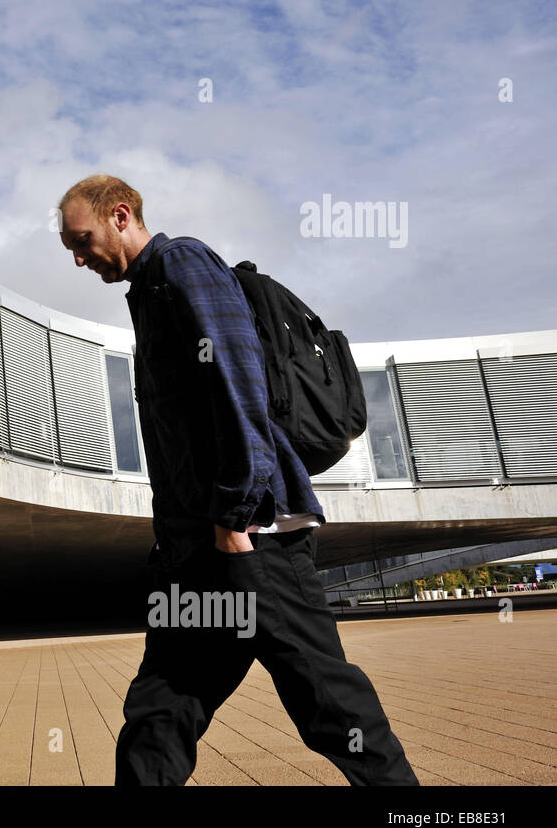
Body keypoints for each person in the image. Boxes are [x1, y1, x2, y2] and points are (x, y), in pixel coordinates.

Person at [58, 173, 419, 786]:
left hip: (253, 539)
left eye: (82, 238)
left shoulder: (183, 264)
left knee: (327, 703)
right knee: (161, 709)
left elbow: (239, 383)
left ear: (120, 216)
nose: (78, 257)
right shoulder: (148, 291)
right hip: (196, 550)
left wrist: (235, 515)